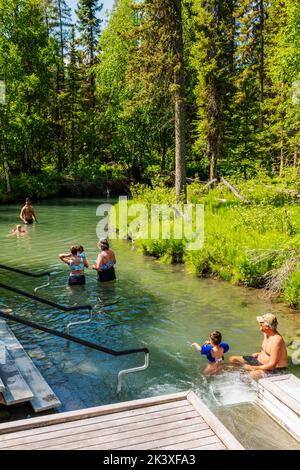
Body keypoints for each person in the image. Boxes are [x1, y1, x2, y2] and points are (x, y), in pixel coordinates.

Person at [228, 313, 287, 380]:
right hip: (259, 362)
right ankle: (234, 378)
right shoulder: (266, 333)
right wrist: (259, 353)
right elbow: (266, 350)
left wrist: (253, 367)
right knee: (233, 359)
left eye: (261, 323)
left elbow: (272, 364)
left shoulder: (277, 340)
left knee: (252, 374)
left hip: (274, 370)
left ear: (267, 326)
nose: (259, 323)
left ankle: (248, 386)